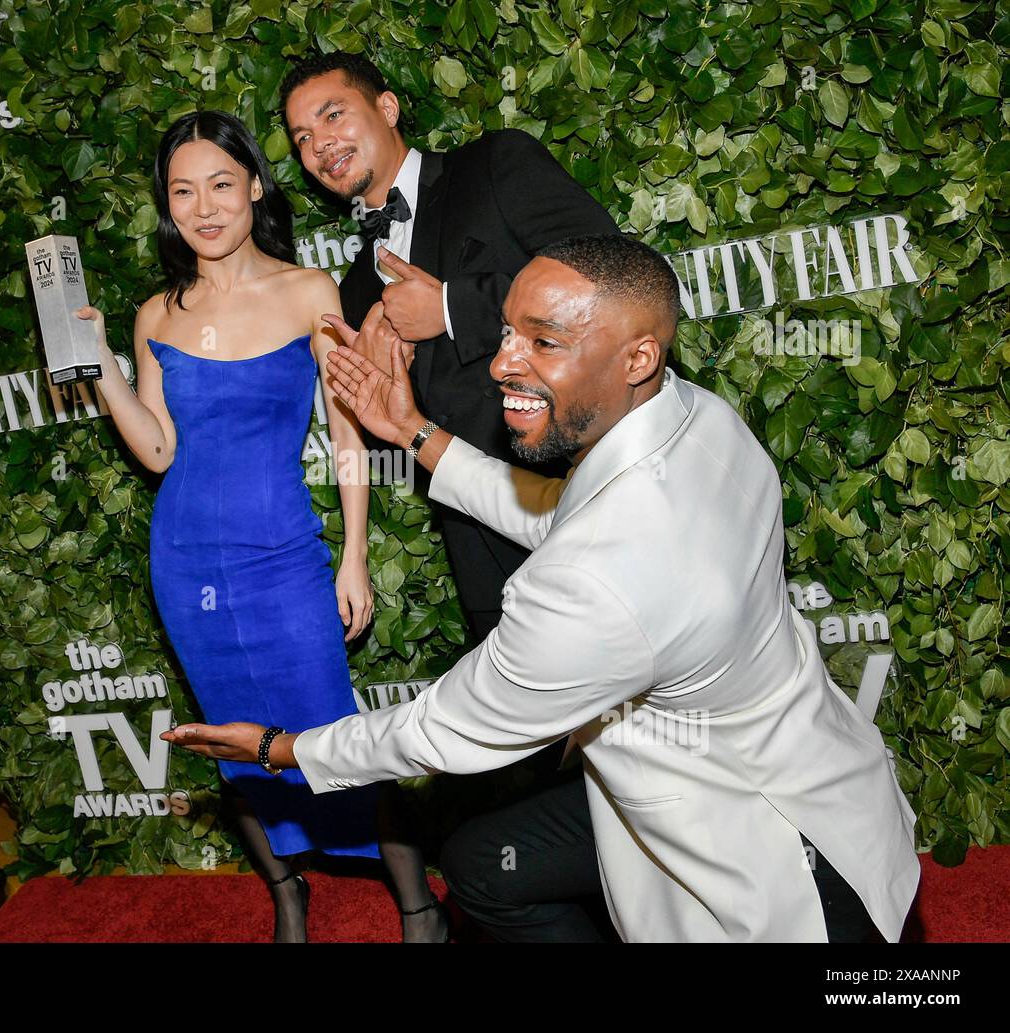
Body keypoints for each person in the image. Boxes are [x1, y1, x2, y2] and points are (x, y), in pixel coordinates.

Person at [162, 233, 922, 942]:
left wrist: (281, 745)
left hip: (786, 880)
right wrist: (412, 430)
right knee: (488, 862)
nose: (502, 362)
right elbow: (569, 514)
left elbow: (441, 728)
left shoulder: (597, 581)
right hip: (811, 776)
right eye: (507, 333)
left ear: (637, 356)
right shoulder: (698, 417)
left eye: (544, 342)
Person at [77, 110, 445, 942]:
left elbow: (347, 432)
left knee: (334, 733)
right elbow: (161, 449)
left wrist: (353, 557)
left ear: (253, 187)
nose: (204, 208)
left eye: (220, 184)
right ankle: (287, 896)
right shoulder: (155, 315)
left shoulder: (309, 292)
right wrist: (101, 365)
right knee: (231, 738)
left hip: (282, 557)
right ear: (166, 207)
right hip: (183, 560)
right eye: (182, 191)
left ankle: (419, 909)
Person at [282, 52, 619, 643]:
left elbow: (610, 280)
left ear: (386, 108)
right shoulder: (355, 290)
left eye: (334, 115)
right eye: (303, 137)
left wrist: (448, 308)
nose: (321, 144)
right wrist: (386, 390)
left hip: (592, 504)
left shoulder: (492, 165)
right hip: (484, 555)